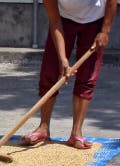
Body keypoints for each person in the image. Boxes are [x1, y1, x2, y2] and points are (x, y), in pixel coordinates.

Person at [21, 0, 117, 149]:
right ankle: (43, 128)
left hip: (95, 21)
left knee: (87, 76)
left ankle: (76, 133)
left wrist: (105, 31)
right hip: (64, 20)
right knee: (49, 72)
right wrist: (62, 58)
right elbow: (55, 21)